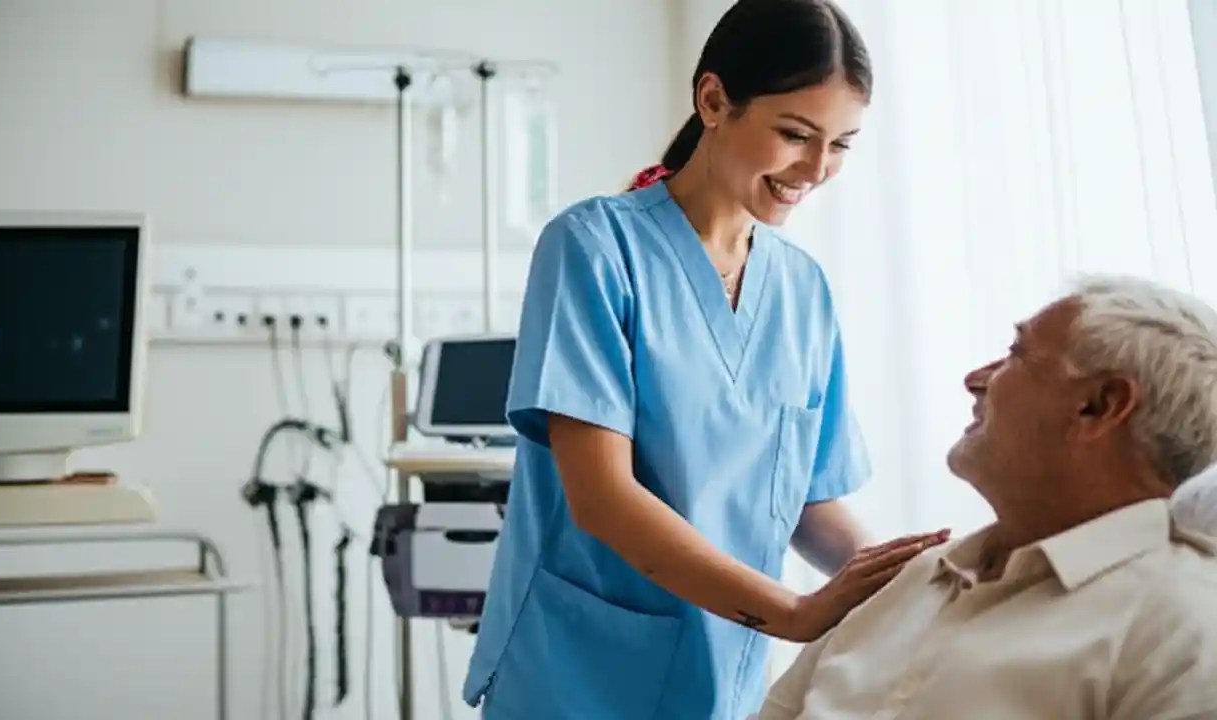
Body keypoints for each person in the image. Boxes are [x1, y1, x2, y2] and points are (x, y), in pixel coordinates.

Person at [461, 1, 948, 718]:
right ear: (714, 100)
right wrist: (794, 612)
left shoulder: (802, 288)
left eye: (842, 144)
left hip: (723, 670)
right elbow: (602, 500)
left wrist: (911, 579)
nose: (816, 169)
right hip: (580, 671)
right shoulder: (594, 251)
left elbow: (807, 501)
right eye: (795, 134)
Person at [758, 276, 1217, 720]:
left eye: (1017, 355)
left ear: (1097, 405)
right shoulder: (913, 578)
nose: (975, 379)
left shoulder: (1183, 630)